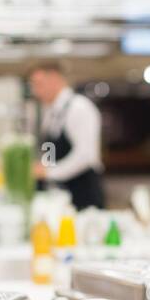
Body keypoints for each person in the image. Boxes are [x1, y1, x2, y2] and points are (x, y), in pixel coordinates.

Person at [27, 61, 105, 210]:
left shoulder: (79, 108)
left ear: (55, 79)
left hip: (83, 195)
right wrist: (43, 166)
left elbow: (85, 156)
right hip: (60, 195)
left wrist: (49, 172)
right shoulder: (50, 112)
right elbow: (50, 149)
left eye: (39, 84)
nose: (36, 91)